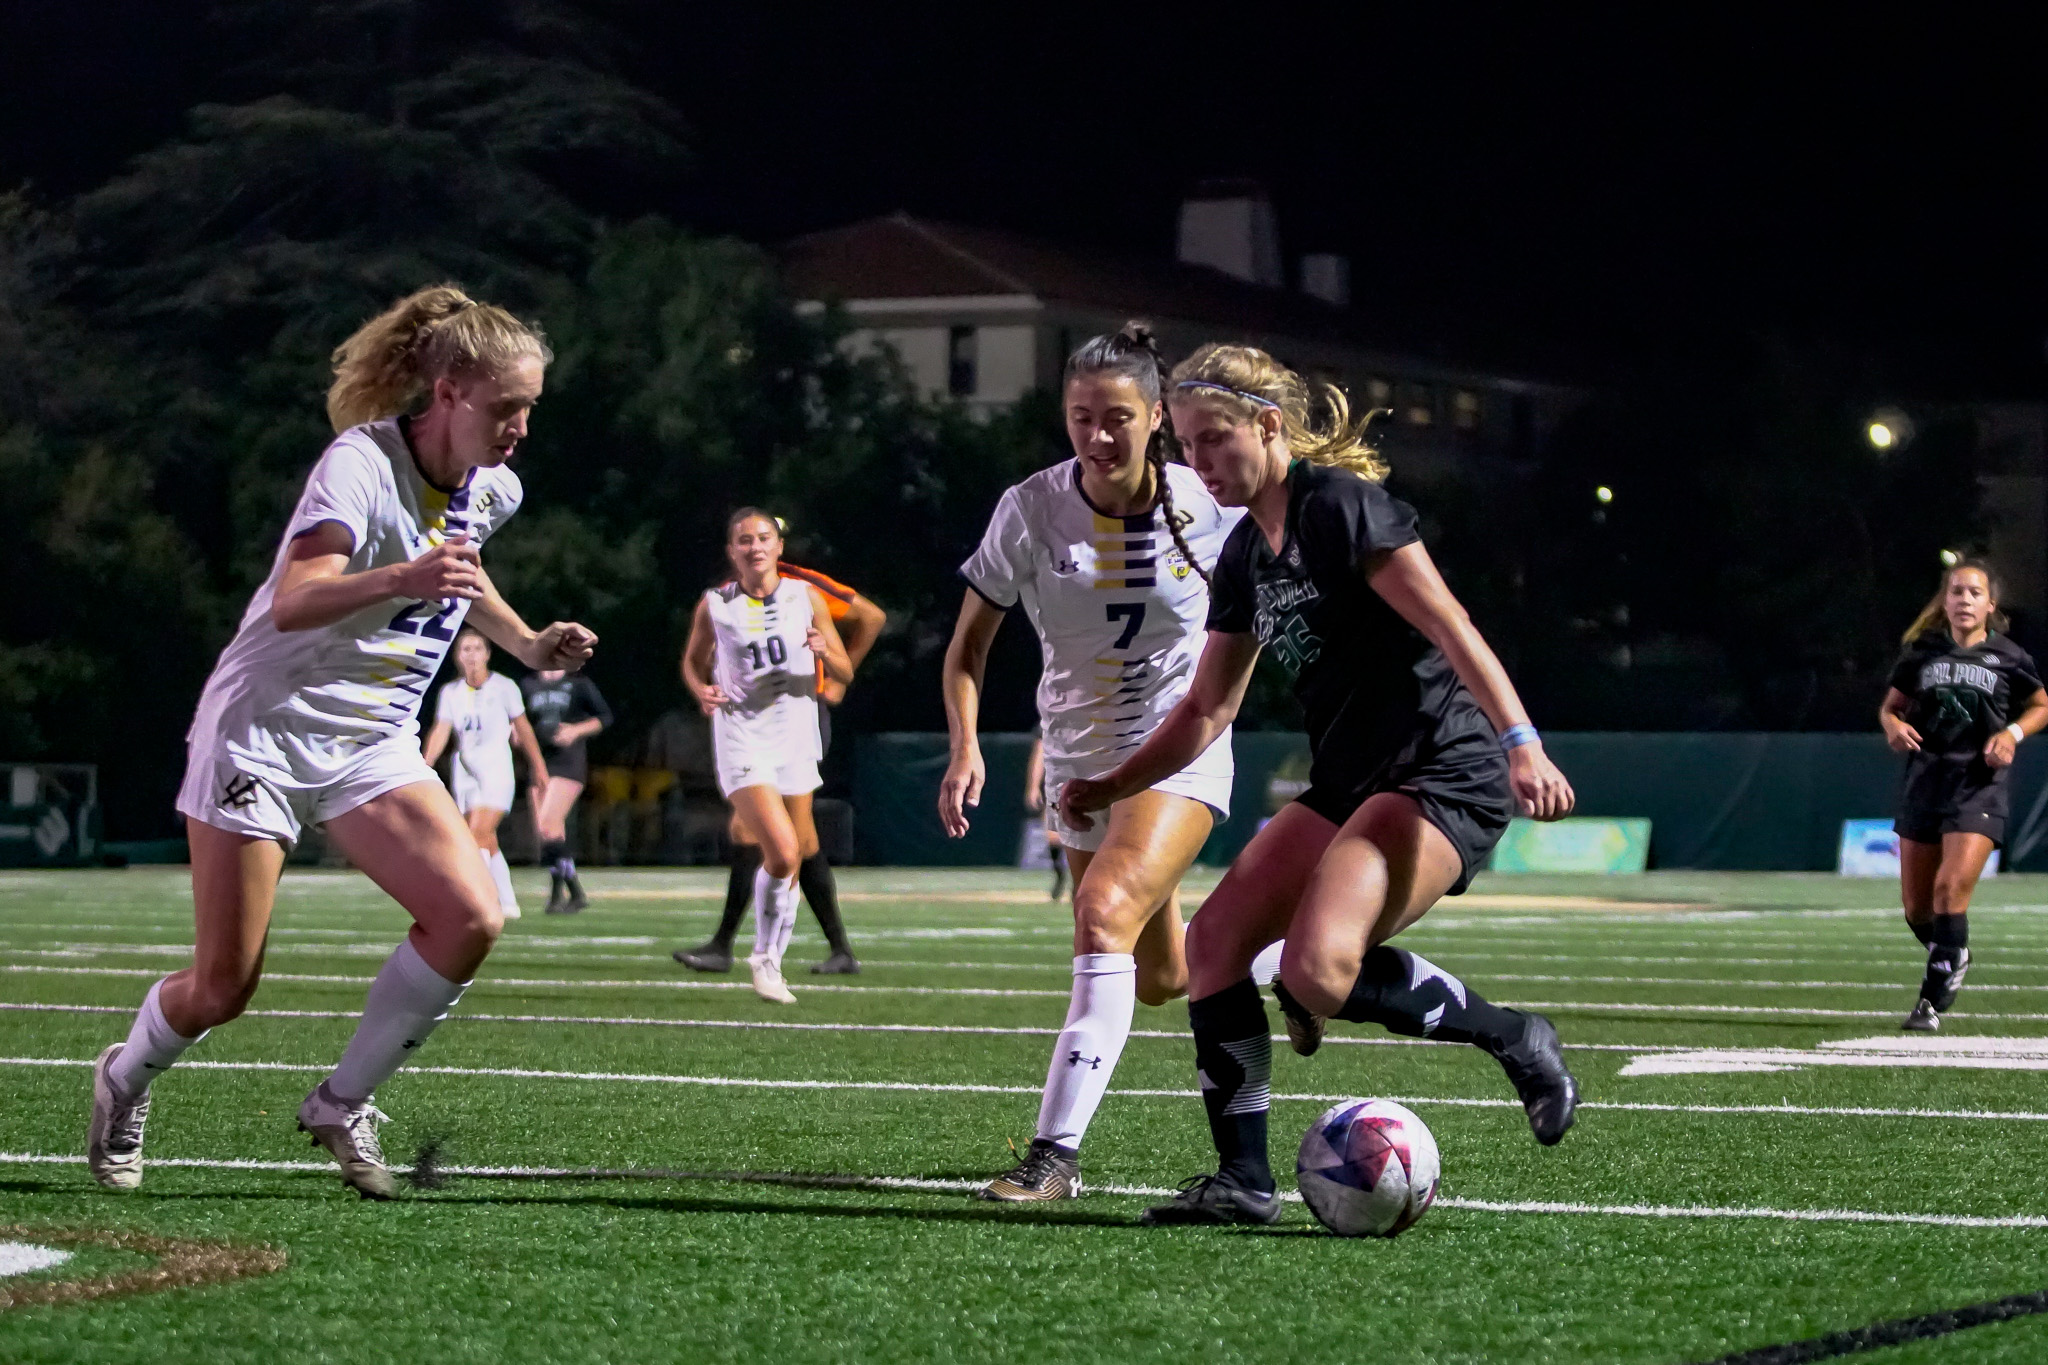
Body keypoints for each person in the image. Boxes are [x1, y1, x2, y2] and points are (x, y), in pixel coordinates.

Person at [86, 284, 595, 1200]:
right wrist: (401, 573)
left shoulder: (497, 485)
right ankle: (123, 1077)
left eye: (530, 409)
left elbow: (462, 567)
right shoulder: (359, 464)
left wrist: (525, 642)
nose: (521, 427)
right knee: (222, 987)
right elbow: (295, 597)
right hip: (263, 735)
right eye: (506, 408)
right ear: (446, 393)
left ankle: (339, 1101)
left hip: (372, 739)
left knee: (470, 915)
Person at [1059, 342, 1577, 1227]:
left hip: (1440, 770)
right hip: (1347, 783)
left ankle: (1513, 1035)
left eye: (1215, 439)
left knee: (1317, 968)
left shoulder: (1341, 507)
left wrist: (1521, 741)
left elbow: (1450, 623)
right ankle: (1242, 1181)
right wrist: (1110, 783)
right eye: (1185, 445)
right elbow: (1204, 712)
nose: (1200, 463)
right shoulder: (1242, 558)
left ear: (1269, 425)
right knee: (1216, 942)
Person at [940, 324, 1244, 1202]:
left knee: (1102, 909)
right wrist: (965, 746)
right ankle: (1279, 956)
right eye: (1081, 418)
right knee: (1161, 975)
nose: (1099, 437)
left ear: (1157, 417)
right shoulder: (1030, 508)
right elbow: (967, 650)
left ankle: (1053, 1156)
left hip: (1177, 752)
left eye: (1118, 417)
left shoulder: (1205, 505)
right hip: (1076, 758)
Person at [675, 553, 885, 974]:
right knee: (798, 839)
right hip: (755, 723)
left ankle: (730, 945)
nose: (755, 551)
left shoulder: (800, 586)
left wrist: (837, 677)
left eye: (764, 540)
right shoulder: (728, 596)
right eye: (744, 541)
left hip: (797, 715)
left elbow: (871, 617)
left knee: (752, 829)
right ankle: (838, 949)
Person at [1880, 557, 2047, 1031]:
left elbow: (2040, 705)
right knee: (1917, 910)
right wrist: (1893, 725)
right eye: (1957, 592)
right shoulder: (1920, 653)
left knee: (1949, 890)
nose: (1964, 600)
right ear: (1945, 601)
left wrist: (2012, 733)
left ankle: (1929, 1004)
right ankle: (1954, 951)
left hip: (1978, 786)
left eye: (1974, 593)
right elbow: (1892, 707)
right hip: (1925, 783)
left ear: (1990, 604)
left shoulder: (2010, 657)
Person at [422, 627, 550, 919]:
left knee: (475, 833)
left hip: (496, 769)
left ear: (488, 654)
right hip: (465, 772)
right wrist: (424, 765)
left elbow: (523, 728)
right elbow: (441, 730)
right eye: (465, 649)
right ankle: (507, 902)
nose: (471, 655)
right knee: (485, 839)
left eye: (477, 649)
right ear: (456, 656)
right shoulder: (450, 692)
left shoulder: (504, 687)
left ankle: (476, 900)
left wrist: (538, 766)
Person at [522, 664, 613, 913]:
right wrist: (517, 733)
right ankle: (563, 895)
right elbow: (520, 720)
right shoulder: (529, 685)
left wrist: (576, 730)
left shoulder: (579, 684)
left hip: (568, 761)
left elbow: (604, 717)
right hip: (540, 761)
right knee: (549, 835)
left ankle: (571, 893)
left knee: (547, 824)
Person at [1023, 735, 1068, 901]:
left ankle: (1080, 881)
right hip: (1057, 782)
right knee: (1053, 836)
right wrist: (1033, 787)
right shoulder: (1050, 716)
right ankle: (1060, 876)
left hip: (1086, 776)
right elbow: (1039, 752)